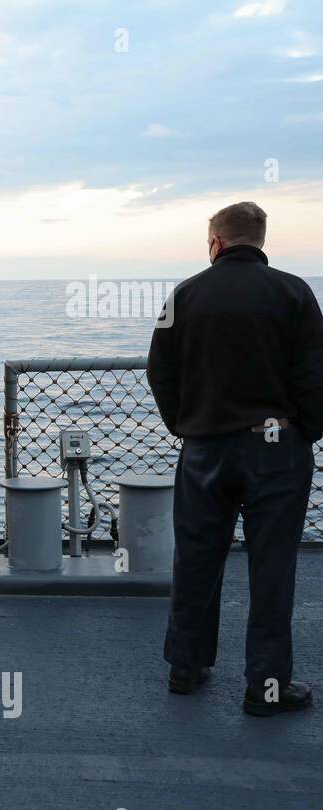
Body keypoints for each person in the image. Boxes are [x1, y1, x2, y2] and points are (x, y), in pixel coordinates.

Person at [147, 201, 323, 716]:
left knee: (196, 559)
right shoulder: (294, 293)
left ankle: (186, 666)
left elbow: (161, 372)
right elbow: (315, 377)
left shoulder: (185, 294)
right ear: (259, 240)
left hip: (205, 448)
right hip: (276, 449)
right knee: (272, 567)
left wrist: (188, 425)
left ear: (217, 243)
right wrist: (301, 435)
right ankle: (266, 687)